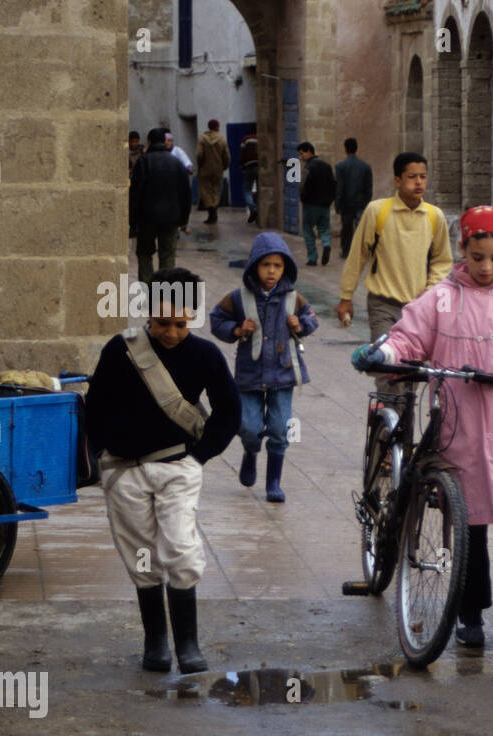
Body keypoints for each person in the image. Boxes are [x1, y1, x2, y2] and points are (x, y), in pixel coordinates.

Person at [366, 206, 493, 647]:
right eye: (476, 257)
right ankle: (470, 612)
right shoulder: (441, 298)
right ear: (462, 249)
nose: (486, 267)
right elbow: (409, 336)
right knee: (470, 519)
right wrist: (387, 353)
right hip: (462, 421)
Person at [84, 268, 241, 674]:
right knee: (140, 555)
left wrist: (199, 456)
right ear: (147, 314)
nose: (171, 333)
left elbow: (229, 410)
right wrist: (101, 454)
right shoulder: (119, 350)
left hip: (178, 468)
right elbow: (95, 405)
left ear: (193, 317)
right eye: (162, 323)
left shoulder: (206, 355)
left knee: (181, 548)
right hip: (124, 472)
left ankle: (187, 643)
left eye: (181, 324)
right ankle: (155, 641)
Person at [209, 232, 320, 503]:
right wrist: (237, 329)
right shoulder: (238, 298)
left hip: (283, 373)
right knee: (248, 425)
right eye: (265, 265)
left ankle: (273, 482)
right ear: (254, 267)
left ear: (285, 268)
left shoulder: (293, 298)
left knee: (280, 428)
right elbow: (217, 319)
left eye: (277, 266)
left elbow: (311, 319)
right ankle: (250, 451)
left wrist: (300, 325)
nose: (271, 271)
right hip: (250, 374)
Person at [336, 151, 453, 341]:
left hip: (419, 307)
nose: (419, 182)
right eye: (412, 176)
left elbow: (442, 261)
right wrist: (346, 296)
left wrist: (430, 290)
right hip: (382, 305)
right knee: (385, 355)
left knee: (415, 358)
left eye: (423, 177)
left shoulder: (434, 216)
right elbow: (358, 256)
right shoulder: (377, 211)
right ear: (398, 180)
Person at [129, 127, 192, 283]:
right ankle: (165, 291)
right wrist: (184, 219)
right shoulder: (176, 163)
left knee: (144, 253)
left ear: (149, 141)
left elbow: (135, 194)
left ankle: (147, 288)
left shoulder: (143, 162)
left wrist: (133, 221)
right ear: (164, 141)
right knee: (168, 255)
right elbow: (186, 194)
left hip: (146, 218)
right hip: (171, 218)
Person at [334, 138, 374, 260]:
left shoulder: (340, 166)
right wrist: (366, 201)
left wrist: (338, 204)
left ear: (345, 149)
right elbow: (369, 187)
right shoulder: (366, 167)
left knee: (346, 229)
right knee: (361, 228)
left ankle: (346, 251)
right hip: (361, 202)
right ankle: (361, 251)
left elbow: (340, 188)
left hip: (346, 203)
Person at [297, 142, 336, 266]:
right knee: (324, 228)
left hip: (310, 205)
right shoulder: (327, 166)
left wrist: (303, 198)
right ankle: (326, 244)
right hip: (325, 205)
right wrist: (330, 199)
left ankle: (312, 258)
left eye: (302, 153)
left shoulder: (307, 167)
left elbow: (302, 185)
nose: (301, 157)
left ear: (309, 151)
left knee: (308, 229)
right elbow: (334, 184)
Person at [196, 119, 230, 225]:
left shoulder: (202, 139)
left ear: (209, 127)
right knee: (215, 191)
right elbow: (227, 156)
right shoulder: (222, 140)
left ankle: (211, 213)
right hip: (218, 170)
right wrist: (224, 166)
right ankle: (214, 211)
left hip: (205, 170)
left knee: (206, 192)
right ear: (217, 127)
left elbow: (199, 154)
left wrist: (200, 165)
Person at [240, 132, 259, 224]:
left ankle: (253, 209)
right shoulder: (261, 138)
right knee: (260, 191)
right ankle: (259, 211)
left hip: (249, 165)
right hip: (260, 165)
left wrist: (242, 166)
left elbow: (242, 154)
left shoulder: (245, 139)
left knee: (247, 190)